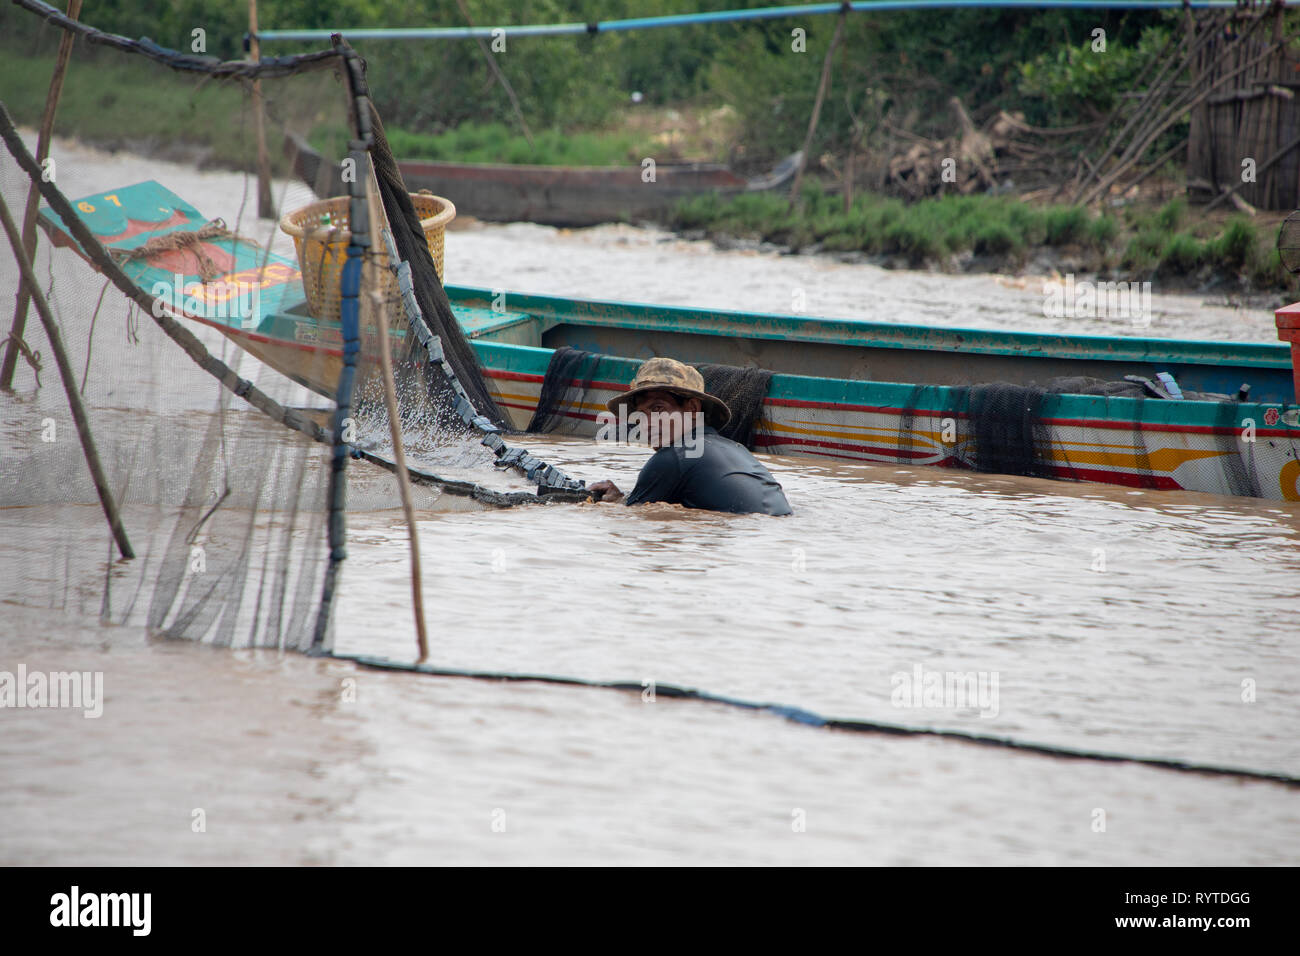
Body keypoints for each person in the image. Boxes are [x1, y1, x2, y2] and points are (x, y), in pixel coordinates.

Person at [587, 357, 792, 516]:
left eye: (658, 409)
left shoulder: (673, 458)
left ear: (693, 408)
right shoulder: (736, 449)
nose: (646, 423)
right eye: (641, 414)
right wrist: (620, 498)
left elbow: (629, 517)